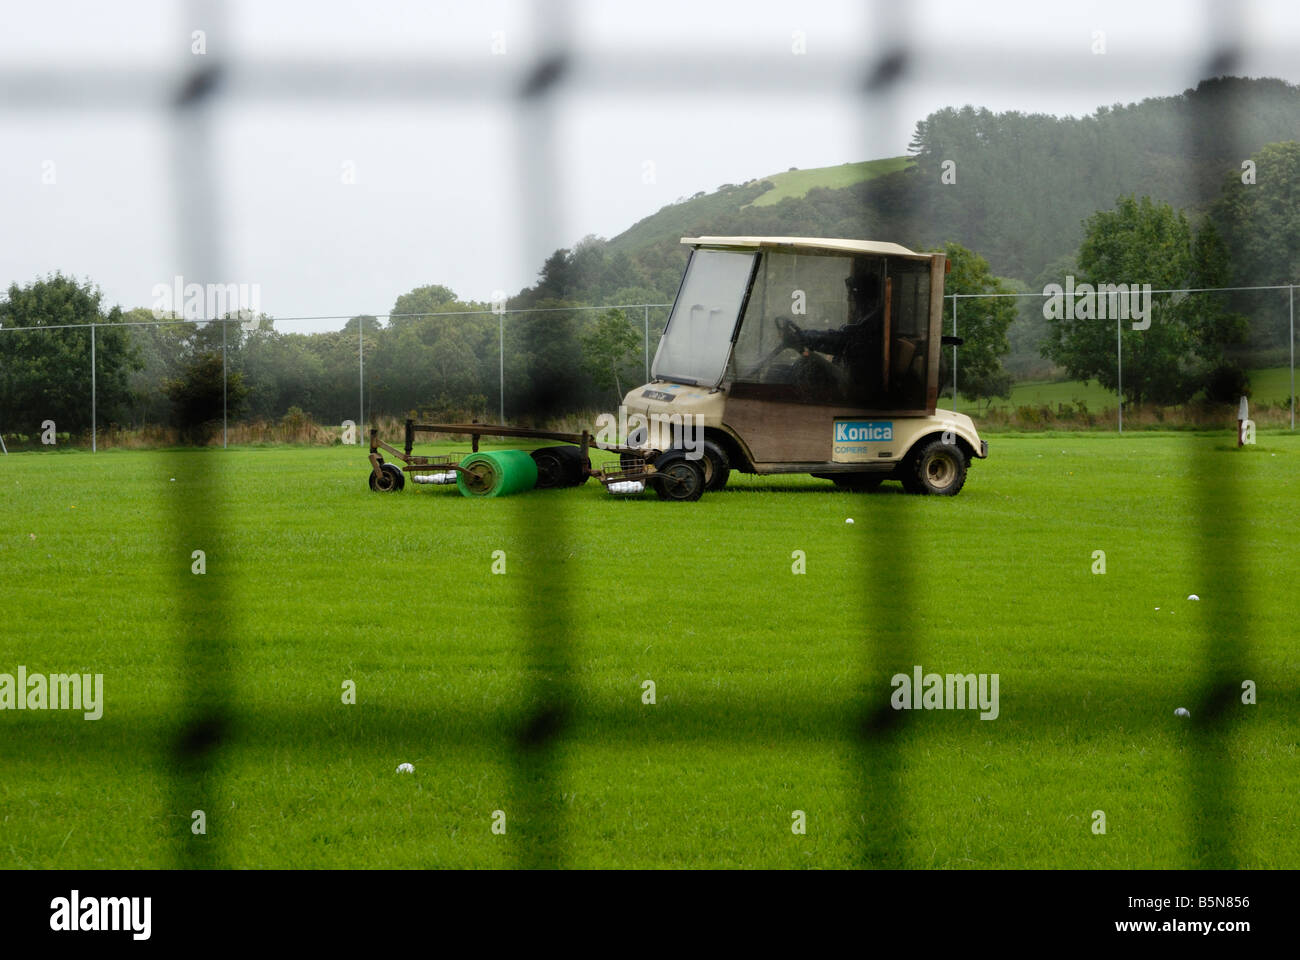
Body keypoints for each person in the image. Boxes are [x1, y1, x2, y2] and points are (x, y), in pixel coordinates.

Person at [787, 258, 885, 402]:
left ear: (862, 298)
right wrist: (804, 336)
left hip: (855, 383)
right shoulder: (866, 319)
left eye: (852, 295)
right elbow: (840, 338)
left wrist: (803, 337)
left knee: (806, 362)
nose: (848, 299)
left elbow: (838, 340)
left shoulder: (872, 323)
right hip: (849, 374)